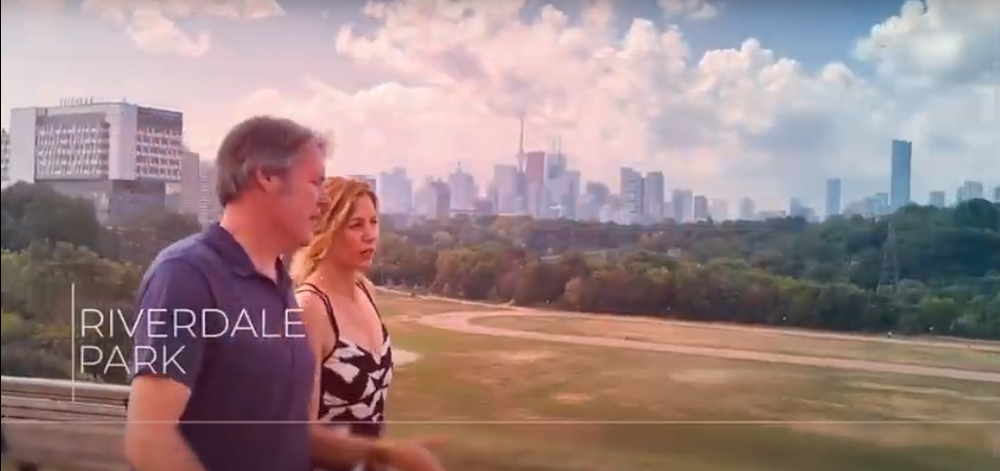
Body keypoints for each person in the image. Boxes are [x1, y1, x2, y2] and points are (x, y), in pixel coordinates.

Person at [123, 116, 326, 471]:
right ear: (266, 176)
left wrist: (379, 454)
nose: (324, 200)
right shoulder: (186, 275)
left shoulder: (280, 282)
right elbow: (149, 442)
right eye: (315, 182)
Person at [291, 177, 445, 471]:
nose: (371, 235)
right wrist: (392, 454)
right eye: (356, 225)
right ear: (326, 231)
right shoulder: (310, 309)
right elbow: (302, 434)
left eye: (374, 222)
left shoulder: (366, 291)